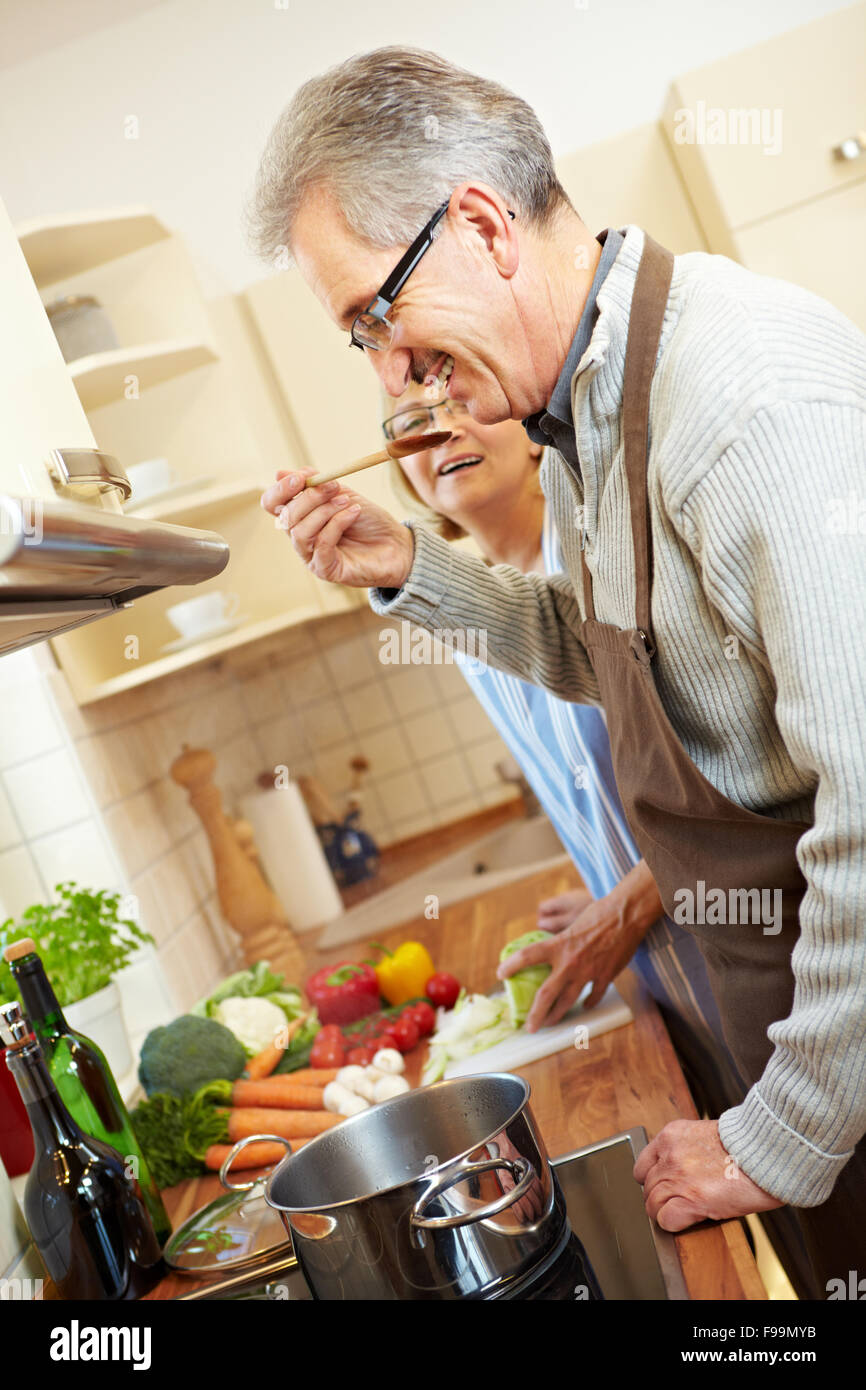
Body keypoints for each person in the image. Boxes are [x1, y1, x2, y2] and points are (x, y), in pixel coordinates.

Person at [251, 47, 866, 1291]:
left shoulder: (733, 397)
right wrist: (404, 566)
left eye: (376, 317)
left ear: (476, 225)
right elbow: (607, 663)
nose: (387, 374)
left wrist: (783, 1132)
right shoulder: (593, 413)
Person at [382, 382, 816, 1295]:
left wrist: (631, 901)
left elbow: (745, 768)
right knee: (794, 1255)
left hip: (771, 967)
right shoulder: (465, 625)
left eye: (460, 400)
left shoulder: (599, 567)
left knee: (836, 1211)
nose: (441, 434)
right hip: (678, 991)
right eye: (409, 427)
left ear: (528, 419)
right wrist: (613, 886)